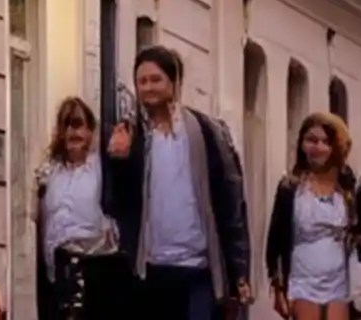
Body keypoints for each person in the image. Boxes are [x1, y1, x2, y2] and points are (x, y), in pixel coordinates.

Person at [106, 45, 252, 320]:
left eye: (156, 79)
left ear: (174, 83)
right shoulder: (133, 136)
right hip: (152, 269)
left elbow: (230, 203)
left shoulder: (206, 131)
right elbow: (116, 206)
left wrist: (239, 271)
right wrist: (119, 161)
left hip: (199, 268)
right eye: (142, 81)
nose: (148, 88)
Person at [264, 112, 361, 320]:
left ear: (337, 147)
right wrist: (278, 285)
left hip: (342, 282)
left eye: (325, 142)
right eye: (311, 140)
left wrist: (359, 239)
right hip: (302, 279)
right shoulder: (291, 188)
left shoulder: (355, 188)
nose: (317, 147)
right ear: (301, 144)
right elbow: (276, 240)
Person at [33, 97, 125, 320]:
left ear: (90, 130)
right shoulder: (50, 173)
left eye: (78, 124)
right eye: (67, 124)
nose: (73, 132)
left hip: (96, 268)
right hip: (59, 271)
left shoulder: (100, 167)